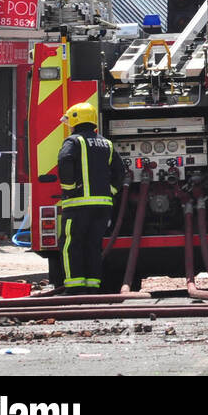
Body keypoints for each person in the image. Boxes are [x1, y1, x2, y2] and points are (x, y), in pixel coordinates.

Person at [57, 102, 125, 291]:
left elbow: (64, 161)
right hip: (102, 207)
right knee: (93, 246)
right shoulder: (106, 143)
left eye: (70, 121)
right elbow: (120, 173)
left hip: (78, 205)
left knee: (72, 245)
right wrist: (109, 192)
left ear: (76, 120)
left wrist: (69, 188)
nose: (69, 125)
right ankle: (93, 286)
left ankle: (75, 288)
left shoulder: (73, 141)